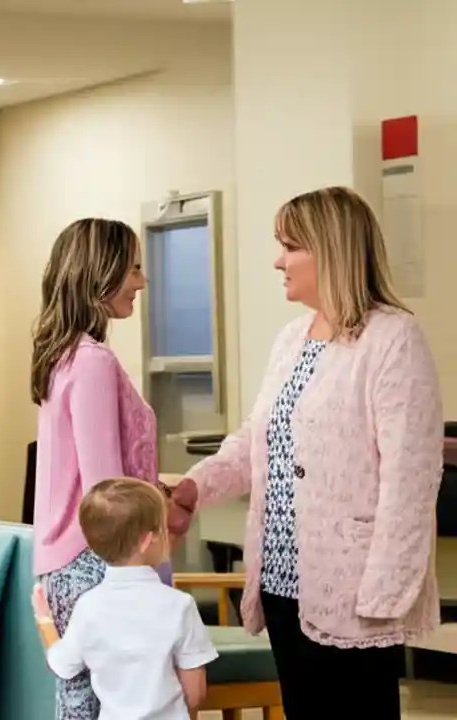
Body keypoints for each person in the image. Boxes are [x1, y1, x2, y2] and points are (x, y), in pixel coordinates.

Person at [168, 186, 443, 718]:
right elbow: (255, 440)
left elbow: (410, 480)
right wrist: (194, 487)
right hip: (282, 582)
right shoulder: (292, 338)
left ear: (332, 250)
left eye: (290, 246)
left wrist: (383, 595)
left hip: (354, 589)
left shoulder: (393, 338)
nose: (279, 261)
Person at [29, 217, 169, 720]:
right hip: (99, 561)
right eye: (132, 269)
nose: (142, 282)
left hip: (68, 561)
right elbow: (106, 491)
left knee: (82, 704)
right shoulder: (91, 361)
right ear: (99, 273)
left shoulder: (63, 355)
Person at [32, 478, 218, 720]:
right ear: (147, 540)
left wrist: (45, 620)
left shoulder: (88, 607)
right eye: (163, 528)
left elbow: (63, 666)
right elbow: (196, 694)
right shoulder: (180, 605)